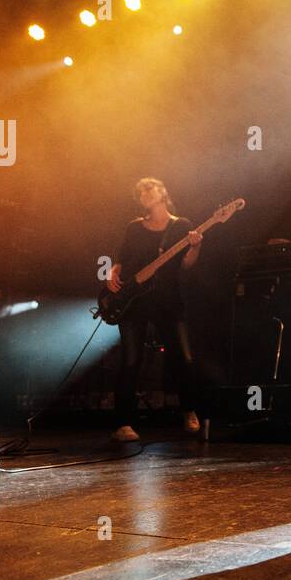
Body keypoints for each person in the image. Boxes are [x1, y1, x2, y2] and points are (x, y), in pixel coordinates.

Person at [106, 177, 204, 442]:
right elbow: (121, 259)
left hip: (168, 300)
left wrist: (195, 245)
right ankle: (123, 423)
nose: (145, 193)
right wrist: (112, 273)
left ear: (163, 193)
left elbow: (187, 265)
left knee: (184, 358)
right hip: (134, 301)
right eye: (140, 192)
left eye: (150, 188)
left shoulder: (181, 225)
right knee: (130, 359)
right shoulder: (134, 227)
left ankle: (190, 411)